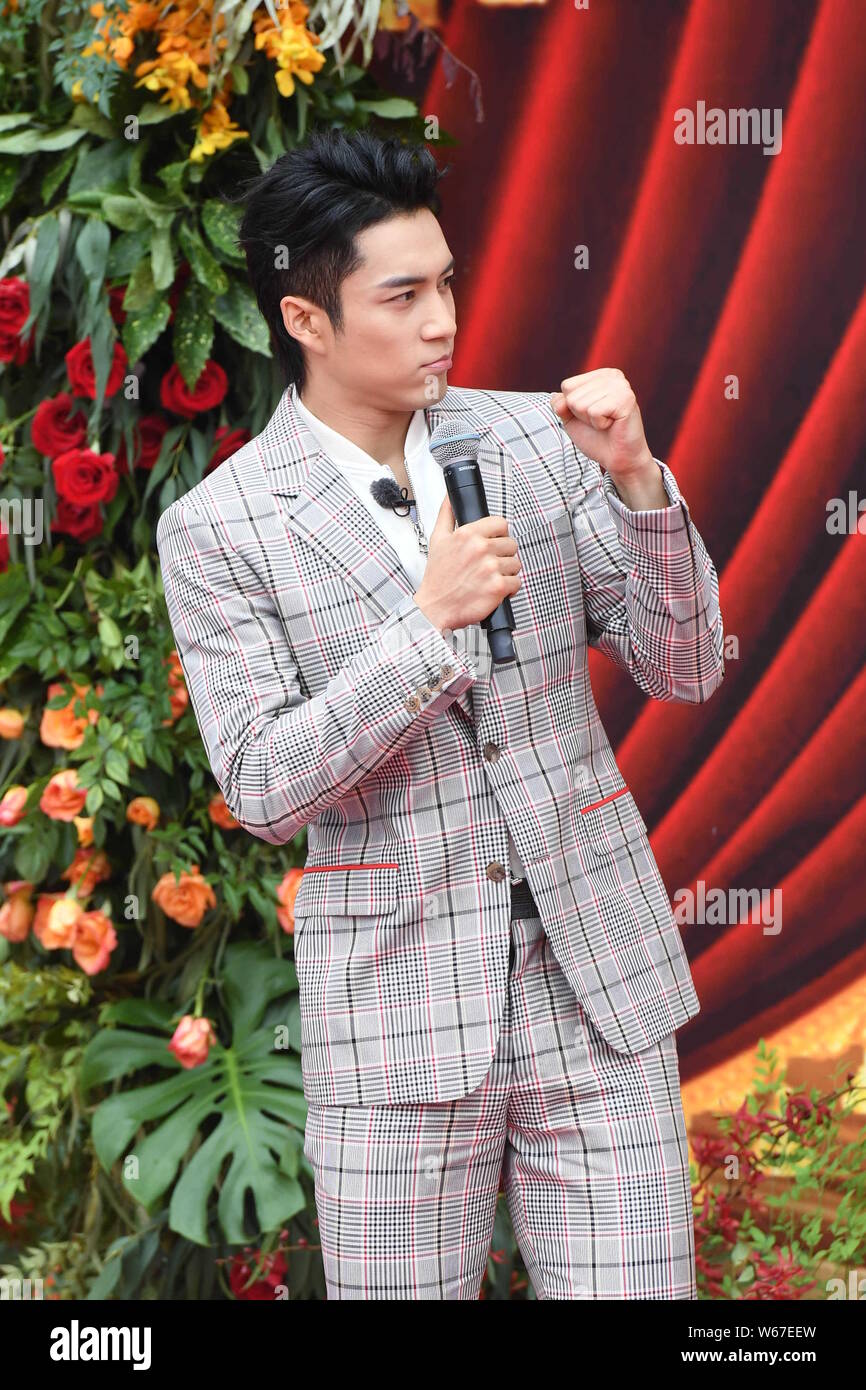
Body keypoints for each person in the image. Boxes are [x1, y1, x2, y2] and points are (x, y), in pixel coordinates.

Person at [156, 127, 726, 1300]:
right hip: (396, 1016)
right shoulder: (223, 528)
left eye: (447, 284)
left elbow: (687, 667)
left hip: (595, 982)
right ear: (305, 320)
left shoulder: (532, 439)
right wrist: (425, 631)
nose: (440, 322)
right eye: (402, 295)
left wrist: (635, 481)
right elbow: (262, 786)